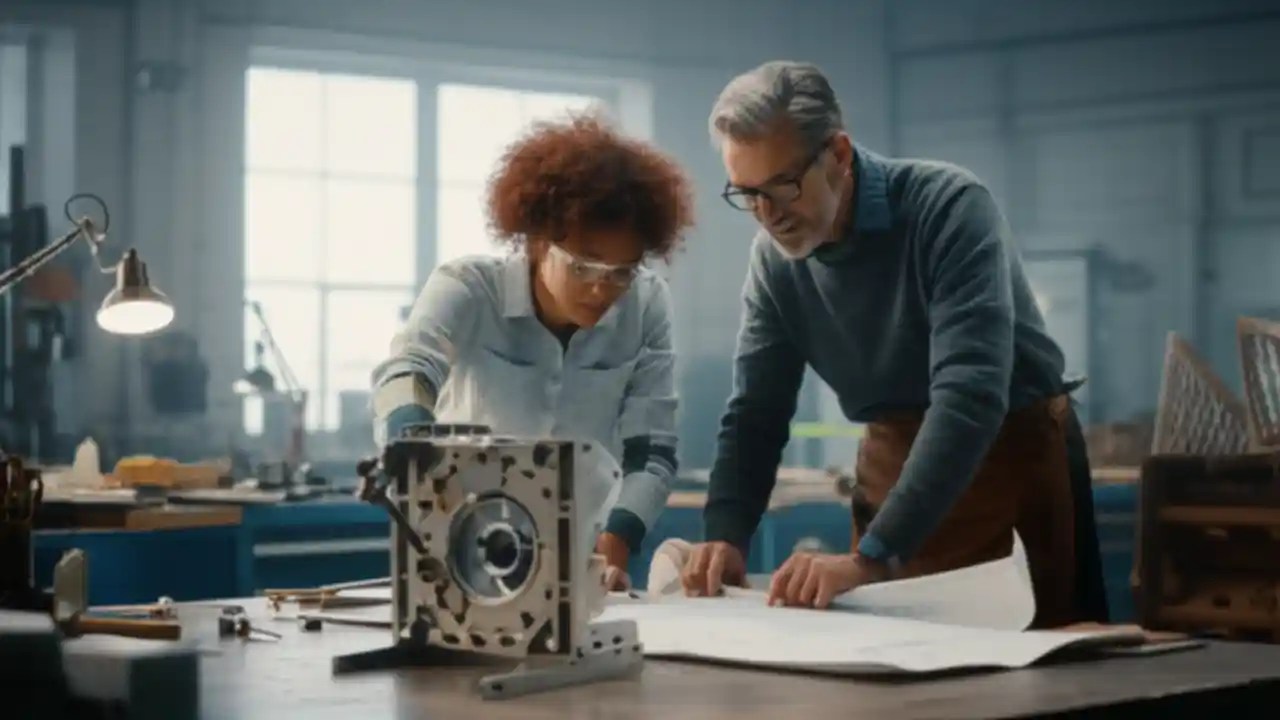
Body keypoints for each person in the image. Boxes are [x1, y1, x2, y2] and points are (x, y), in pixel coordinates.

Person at [678, 61, 1108, 628]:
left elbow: (970, 395)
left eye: (782, 186)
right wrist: (726, 536)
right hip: (894, 462)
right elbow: (756, 412)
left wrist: (874, 556)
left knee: (1028, 667)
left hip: (1005, 452)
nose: (768, 216)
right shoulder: (774, 265)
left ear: (839, 154)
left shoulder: (948, 207)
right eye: (748, 194)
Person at [371, 113, 695, 591]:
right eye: (584, 267)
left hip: (582, 558)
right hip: (459, 550)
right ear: (539, 242)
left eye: (621, 271)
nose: (602, 289)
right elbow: (406, 372)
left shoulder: (645, 304)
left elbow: (652, 453)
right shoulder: (466, 289)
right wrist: (418, 460)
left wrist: (614, 546)